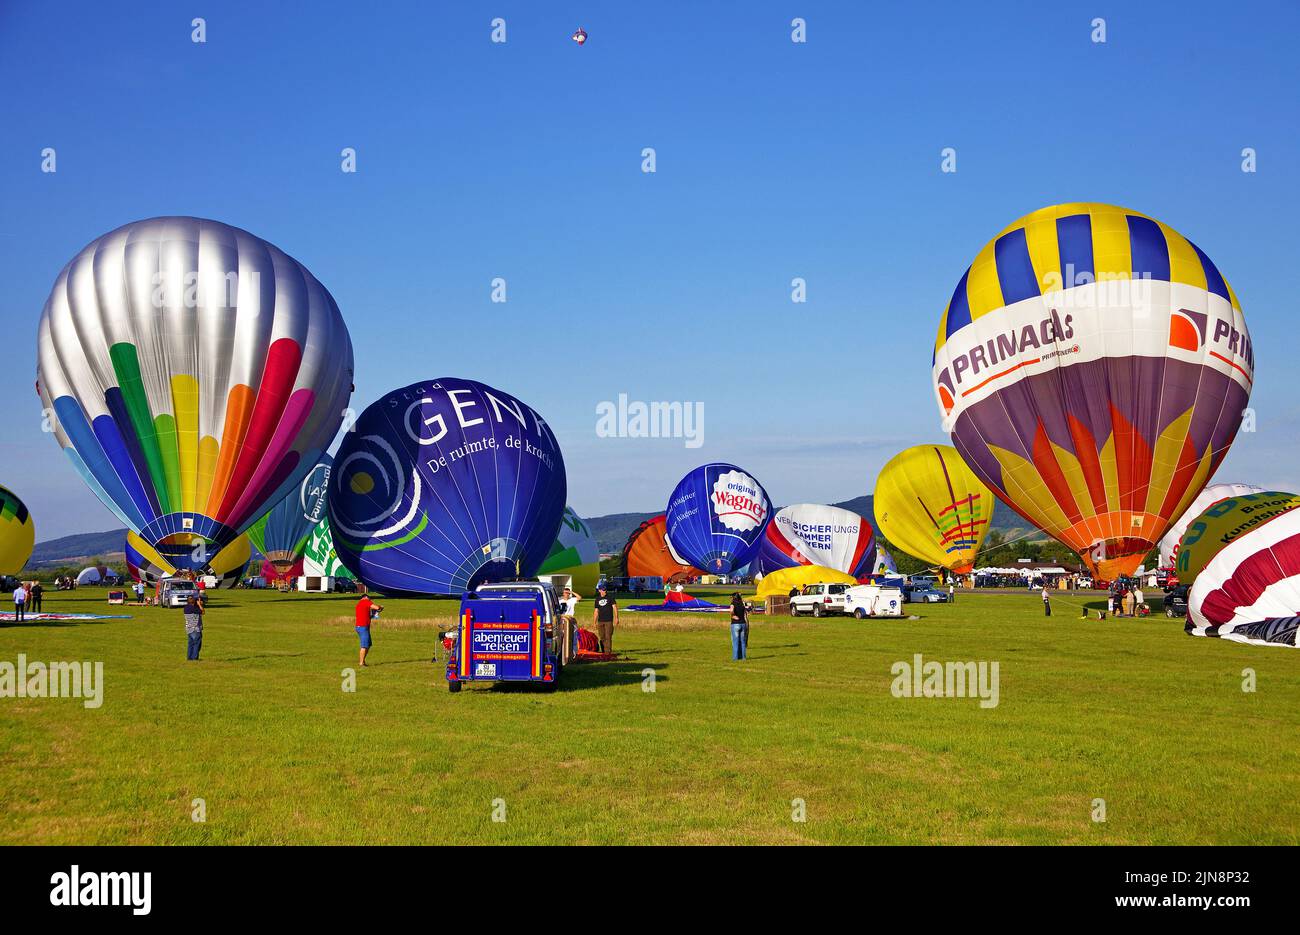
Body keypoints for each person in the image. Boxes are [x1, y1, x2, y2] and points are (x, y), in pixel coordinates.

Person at [354, 592, 382, 666]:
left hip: (361, 626)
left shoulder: (359, 604)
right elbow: (376, 607)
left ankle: (363, 661)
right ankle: (361, 663)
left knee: (368, 644)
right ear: (366, 597)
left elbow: (366, 615)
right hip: (363, 627)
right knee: (364, 646)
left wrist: (372, 614)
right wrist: (380, 607)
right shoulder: (366, 601)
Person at [558, 586, 581, 663]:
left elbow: (579, 597)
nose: (566, 594)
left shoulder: (572, 600)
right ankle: (562, 654)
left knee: (573, 637)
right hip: (562, 619)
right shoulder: (559, 600)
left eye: (568, 593)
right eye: (565, 593)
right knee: (562, 637)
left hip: (570, 619)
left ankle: (574, 654)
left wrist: (572, 592)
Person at [592, 585, 618, 654]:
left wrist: (616, 618)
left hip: (609, 620)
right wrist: (594, 622)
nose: (604, 591)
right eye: (603, 590)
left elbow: (614, 608)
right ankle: (604, 651)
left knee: (608, 636)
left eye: (605, 590)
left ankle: (608, 652)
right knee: (602, 637)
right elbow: (596, 611)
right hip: (600, 621)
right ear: (599, 590)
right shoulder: (597, 599)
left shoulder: (610, 598)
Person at [182, 595, 204, 660]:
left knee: (190, 644)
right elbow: (203, 611)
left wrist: (198, 604)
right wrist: (200, 605)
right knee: (197, 644)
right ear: (194, 601)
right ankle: (194, 658)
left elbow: (196, 609)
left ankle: (189, 657)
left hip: (188, 628)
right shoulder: (194, 608)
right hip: (195, 629)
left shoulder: (186, 607)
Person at [729, 592, 749, 661]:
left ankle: (735, 658)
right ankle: (744, 658)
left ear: (734, 598)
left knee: (735, 642)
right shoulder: (742, 604)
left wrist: (733, 615)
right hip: (743, 623)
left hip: (735, 624)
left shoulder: (732, 604)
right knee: (743, 642)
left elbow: (731, 611)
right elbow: (745, 615)